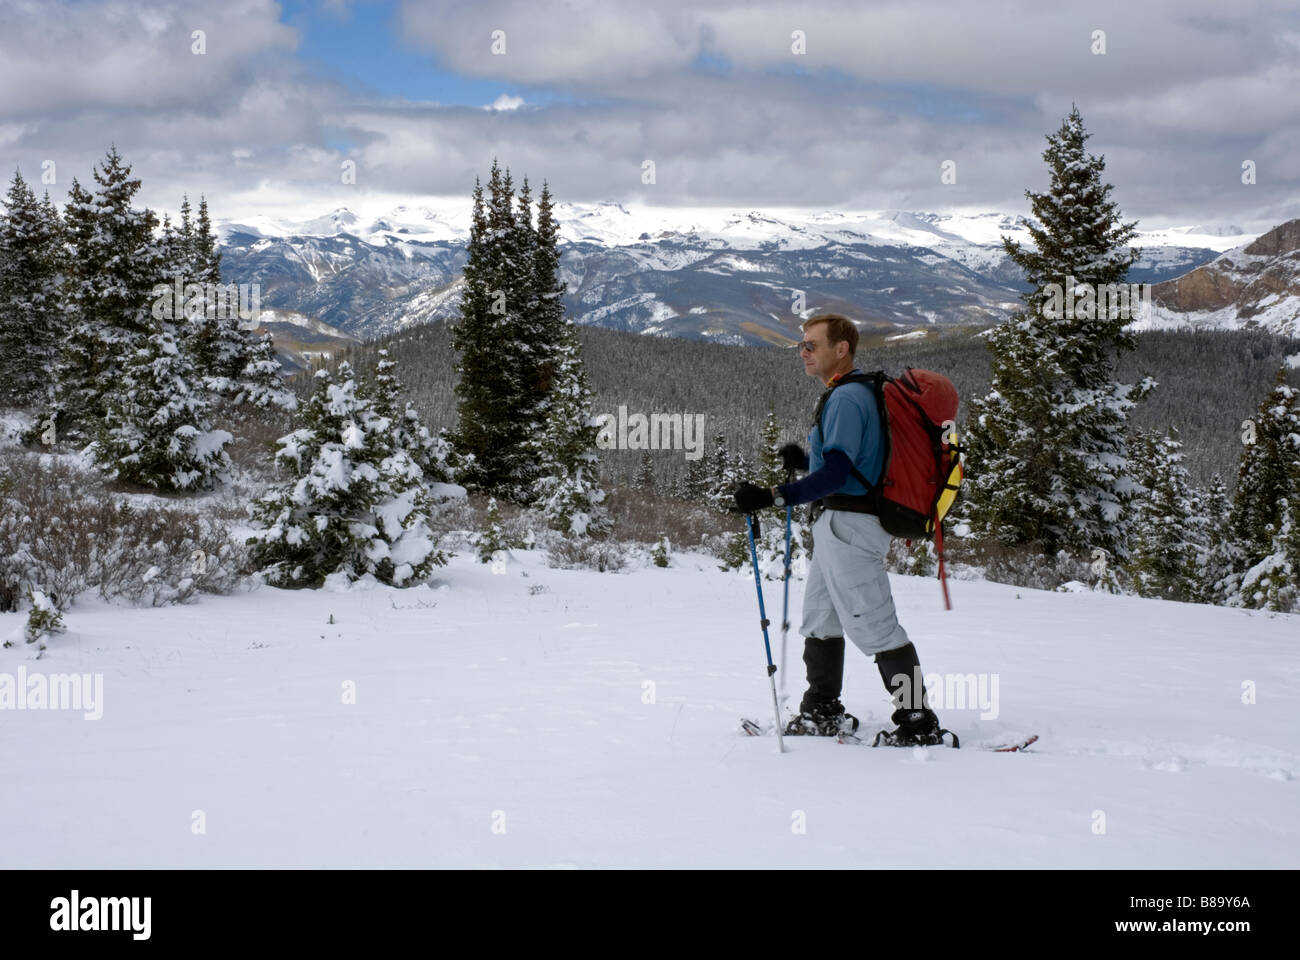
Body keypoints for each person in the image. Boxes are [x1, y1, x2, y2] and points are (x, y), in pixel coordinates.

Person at [733, 313, 944, 746]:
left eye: (813, 344)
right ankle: (822, 709)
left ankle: (919, 721)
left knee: (875, 624)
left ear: (841, 349)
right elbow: (853, 465)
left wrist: (774, 494)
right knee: (821, 618)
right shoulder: (856, 392)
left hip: (851, 525)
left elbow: (839, 474)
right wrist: (808, 461)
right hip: (839, 523)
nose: (804, 352)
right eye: (801, 345)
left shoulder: (847, 398)